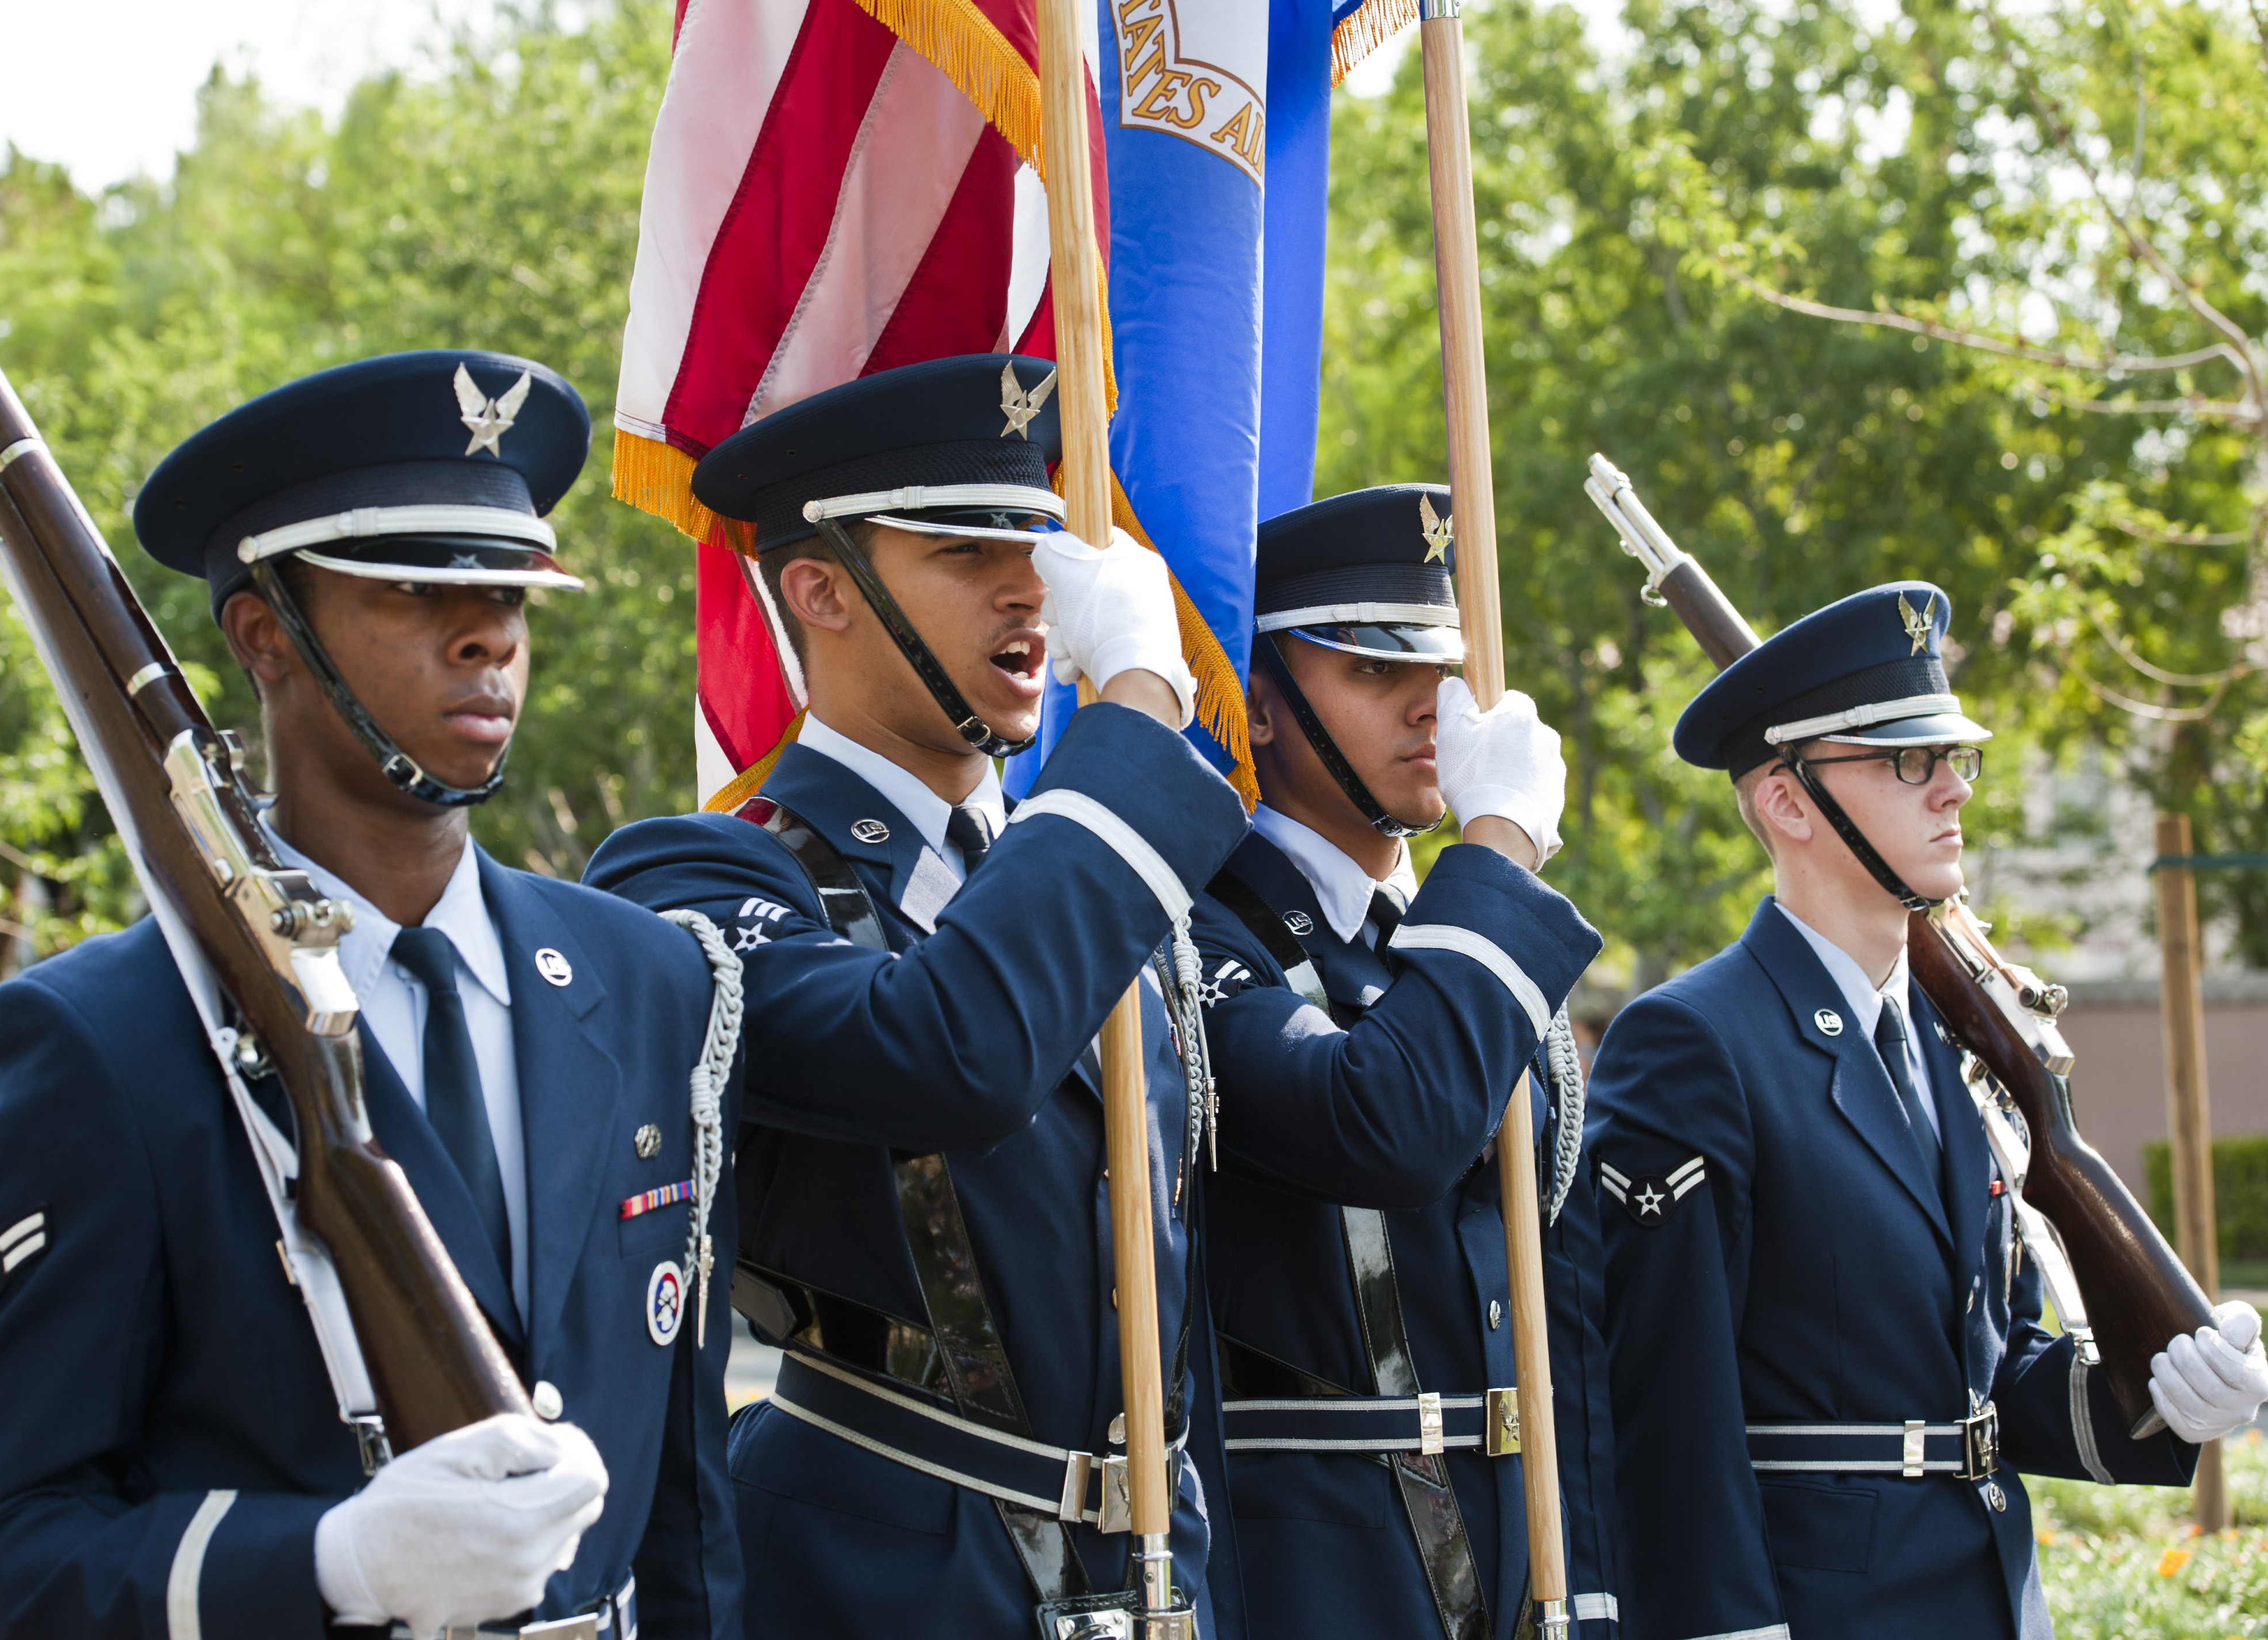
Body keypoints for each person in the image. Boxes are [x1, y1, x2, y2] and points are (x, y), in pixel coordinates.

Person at [0, 351, 743, 1639]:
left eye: (514, 594)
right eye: (418, 589)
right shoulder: (106, 1040)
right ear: (264, 637)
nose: (491, 638)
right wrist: (331, 1563)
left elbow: (684, 1501)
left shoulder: (646, 978)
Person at [585, 353, 1250, 1638]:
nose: (1029, 587)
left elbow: (1174, 1303)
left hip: (1156, 1583)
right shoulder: (707, 870)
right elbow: (944, 1053)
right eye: (962, 551)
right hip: (882, 1581)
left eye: (1041, 542)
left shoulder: (1098, 873)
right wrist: (1135, 715)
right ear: (818, 589)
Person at [1585, 581, 2268, 1639]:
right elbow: (1667, 1410)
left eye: (1956, 757)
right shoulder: (1693, 1042)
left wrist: (2163, 1396)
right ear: (1788, 802)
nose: (1952, 788)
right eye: (1909, 761)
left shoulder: (1956, 1046)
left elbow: (1983, 1368)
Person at [1186, 486, 1616, 1640]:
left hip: (1510, 1547)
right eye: (1375, 672)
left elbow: (1547, 1288)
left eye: (1443, 673)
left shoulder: (1447, 939)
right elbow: (1382, 1122)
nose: (1433, 709)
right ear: (1259, 707)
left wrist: (1591, 1579)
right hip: (1313, 1569)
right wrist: (1501, 851)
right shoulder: (1201, 933)